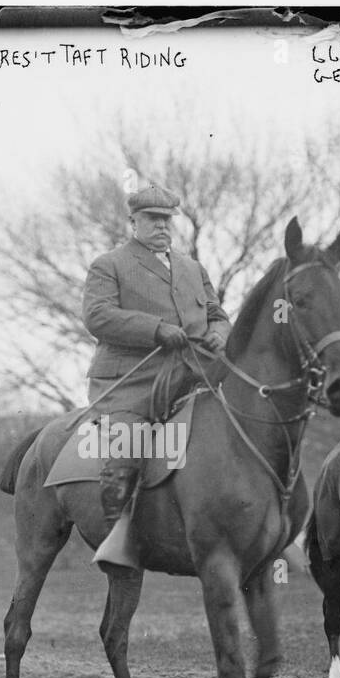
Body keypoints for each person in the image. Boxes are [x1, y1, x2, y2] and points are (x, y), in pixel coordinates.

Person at [81, 184, 232, 569]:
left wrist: (218, 333)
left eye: (167, 220)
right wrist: (155, 329)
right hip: (133, 381)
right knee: (126, 446)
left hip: (194, 375)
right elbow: (97, 316)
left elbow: (217, 313)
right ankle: (119, 540)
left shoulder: (193, 269)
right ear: (133, 222)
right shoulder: (110, 264)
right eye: (152, 219)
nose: (162, 226)